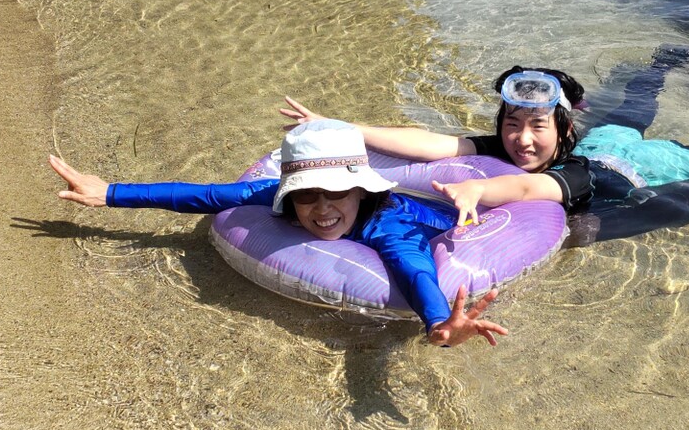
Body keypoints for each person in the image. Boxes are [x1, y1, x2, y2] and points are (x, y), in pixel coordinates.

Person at [47, 119, 507, 347]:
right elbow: (203, 196)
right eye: (306, 195)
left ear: (361, 191)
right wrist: (109, 192)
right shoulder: (273, 193)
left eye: (336, 193)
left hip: (446, 221)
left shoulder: (390, 228)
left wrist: (438, 323)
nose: (322, 208)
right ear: (289, 194)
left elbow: (415, 269)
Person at [281, 59, 689, 243]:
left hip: (650, 167)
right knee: (635, 103)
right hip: (609, 144)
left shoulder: (570, 169)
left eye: (537, 126)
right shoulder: (510, 146)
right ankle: (661, 63)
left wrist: (479, 187)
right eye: (512, 125)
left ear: (563, 126)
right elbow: (434, 143)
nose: (522, 140)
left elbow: (537, 186)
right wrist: (341, 127)